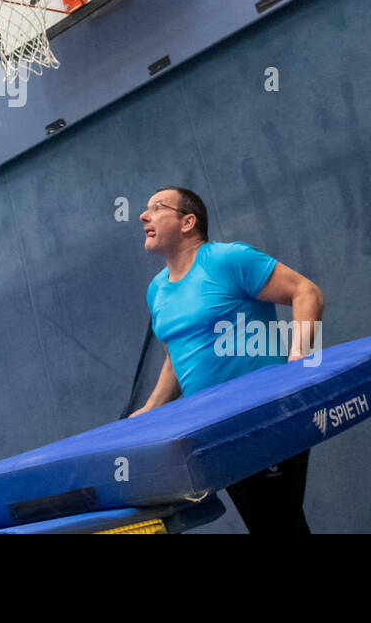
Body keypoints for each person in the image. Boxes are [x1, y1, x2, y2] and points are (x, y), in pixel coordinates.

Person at [130, 187, 325, 533]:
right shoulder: (156, 290)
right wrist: (152, 407)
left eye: (156, 208)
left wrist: (301, 358)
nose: (144, 216)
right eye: (145, 210)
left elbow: (306, 292)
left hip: (268, 415)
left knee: (277, 524)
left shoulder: (227, 259)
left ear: (188, 222)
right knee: (273, 526)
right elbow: (177, 357)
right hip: (215, 430)